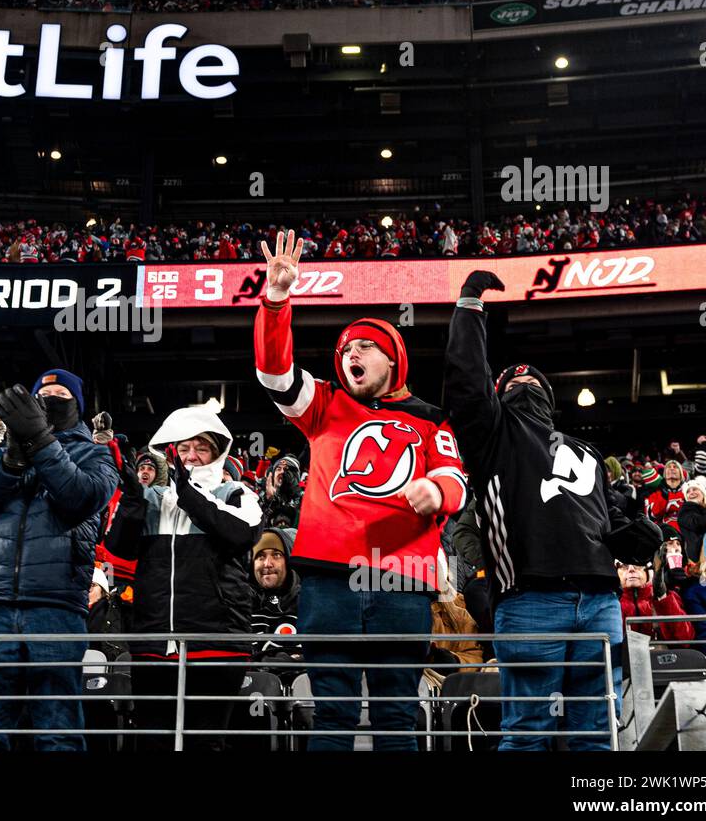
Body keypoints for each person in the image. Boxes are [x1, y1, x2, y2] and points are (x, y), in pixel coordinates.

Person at [255, 231, 469, 751]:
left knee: (398, 712)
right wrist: (277, 301)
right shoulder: (323, 404)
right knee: (332, 712)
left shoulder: (430, 419)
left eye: (365, 346)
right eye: (345, 348)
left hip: (402, 576)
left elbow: (456, 478)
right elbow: (274, 372)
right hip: (329, 579)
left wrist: (437, 493)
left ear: (393, 358)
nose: (351, 353)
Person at [444, 270, 660, 751]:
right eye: (513, 380)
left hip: (592, 597)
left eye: (530, 381)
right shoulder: (493, 433)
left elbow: (610, 525)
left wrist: (641, 533)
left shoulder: (581, 449)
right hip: (535, 596)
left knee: (581, 732)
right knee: (545, 732)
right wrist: (469, 307)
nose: (522, 382)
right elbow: (465, 385)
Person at [0, 368, 118, 751]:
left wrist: (43, 442)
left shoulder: (96, 454)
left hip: (56, 603)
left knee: (57, 727)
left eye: (62, 393)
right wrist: (11, 460)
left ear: (77, 406)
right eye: (42, 395)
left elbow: (80, 498)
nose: (51, 398)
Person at [106, 407, 262, 750]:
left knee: (204, 743)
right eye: (184, 448)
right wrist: (133, 500)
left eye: (201, 448)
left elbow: (240, 534)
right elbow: (118, 547)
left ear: (218, 452)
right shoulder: (153, 499)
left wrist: (188, 493)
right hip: (154, 643)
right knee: (152, 741)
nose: (191, 456)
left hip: (218, 643)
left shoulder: (237, 494)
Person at [249, 527, 301, 663]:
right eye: (260, 556)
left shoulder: (308, 601)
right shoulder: (240, 604)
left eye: (276, 555)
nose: (267, 564)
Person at [617, 562, 693, 644]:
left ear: (649, 571)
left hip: (661, 655)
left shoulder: (668, 597)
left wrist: (663, 597)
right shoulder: (612, 601)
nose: (631, 569)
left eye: (638, 564)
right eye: (624, 566)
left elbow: (685, 639)